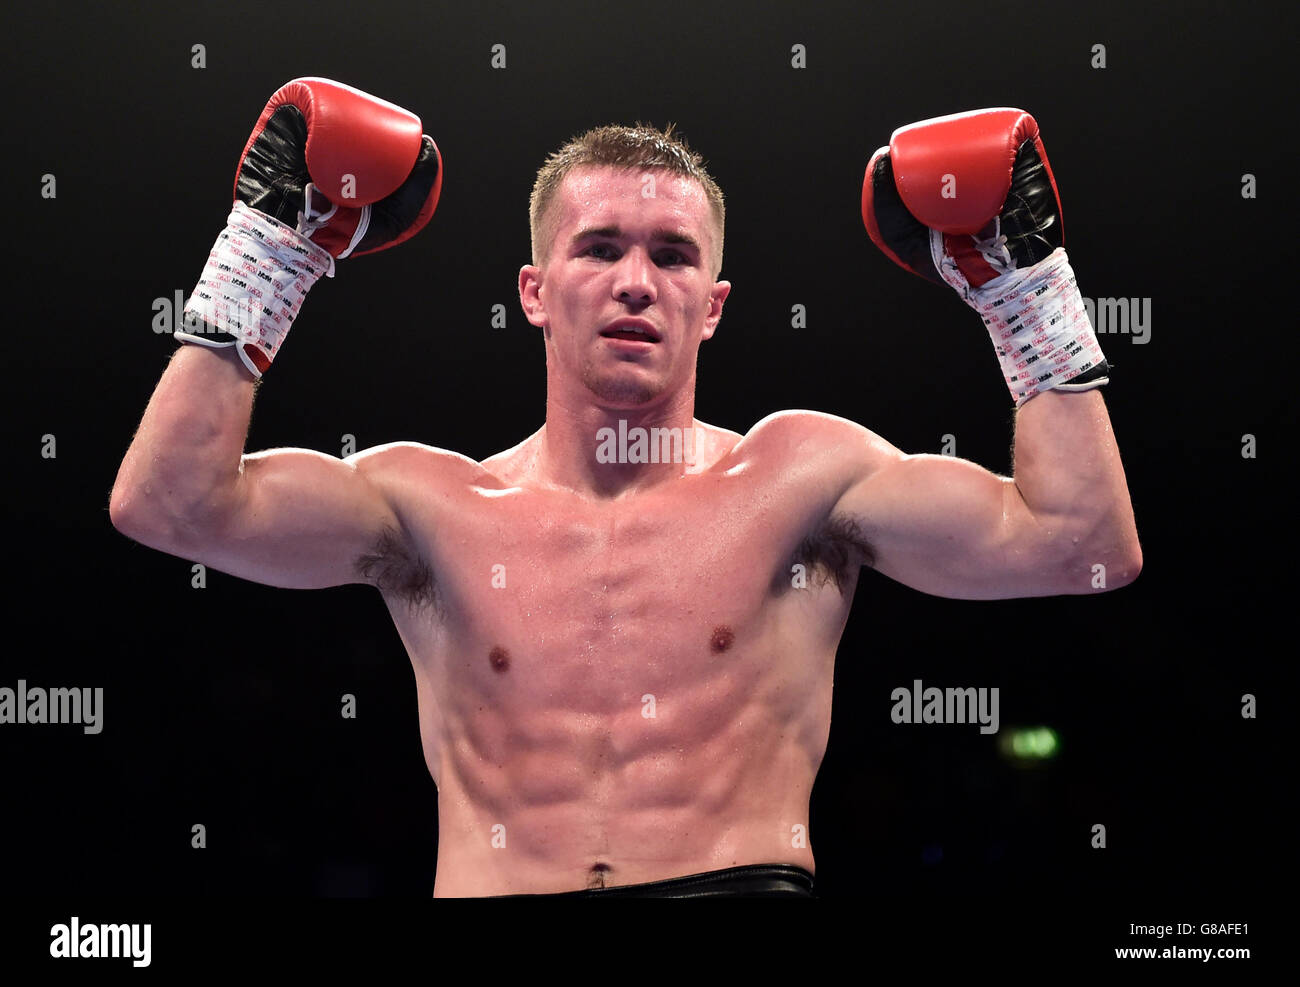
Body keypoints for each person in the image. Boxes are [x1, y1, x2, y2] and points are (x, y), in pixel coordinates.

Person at [109, 78, 1142, 897]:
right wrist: (267, 254)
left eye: (673, 256)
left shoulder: (801, 477)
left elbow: (1080, 545)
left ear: (715, 305)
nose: (636, 282)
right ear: (534, 292)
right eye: (599, 248)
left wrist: (1025, 291)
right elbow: (168, 506)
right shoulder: (428, 506)